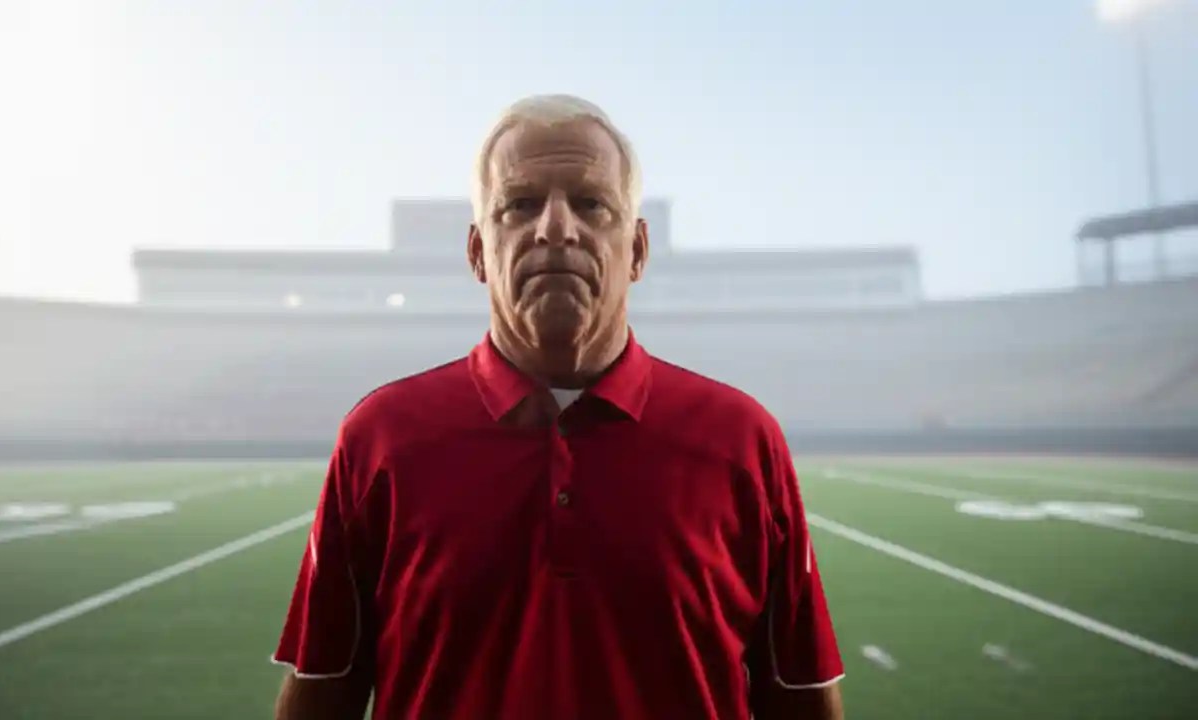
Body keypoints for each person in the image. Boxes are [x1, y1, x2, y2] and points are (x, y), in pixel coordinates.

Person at [272, 94, 845, 720]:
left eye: (591, 203)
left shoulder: (742, 440)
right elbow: (323, 693)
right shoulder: (380, 439)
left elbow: (800, 699)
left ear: (638, 250)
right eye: (519, 205)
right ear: (476, 253)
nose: (554, 228)